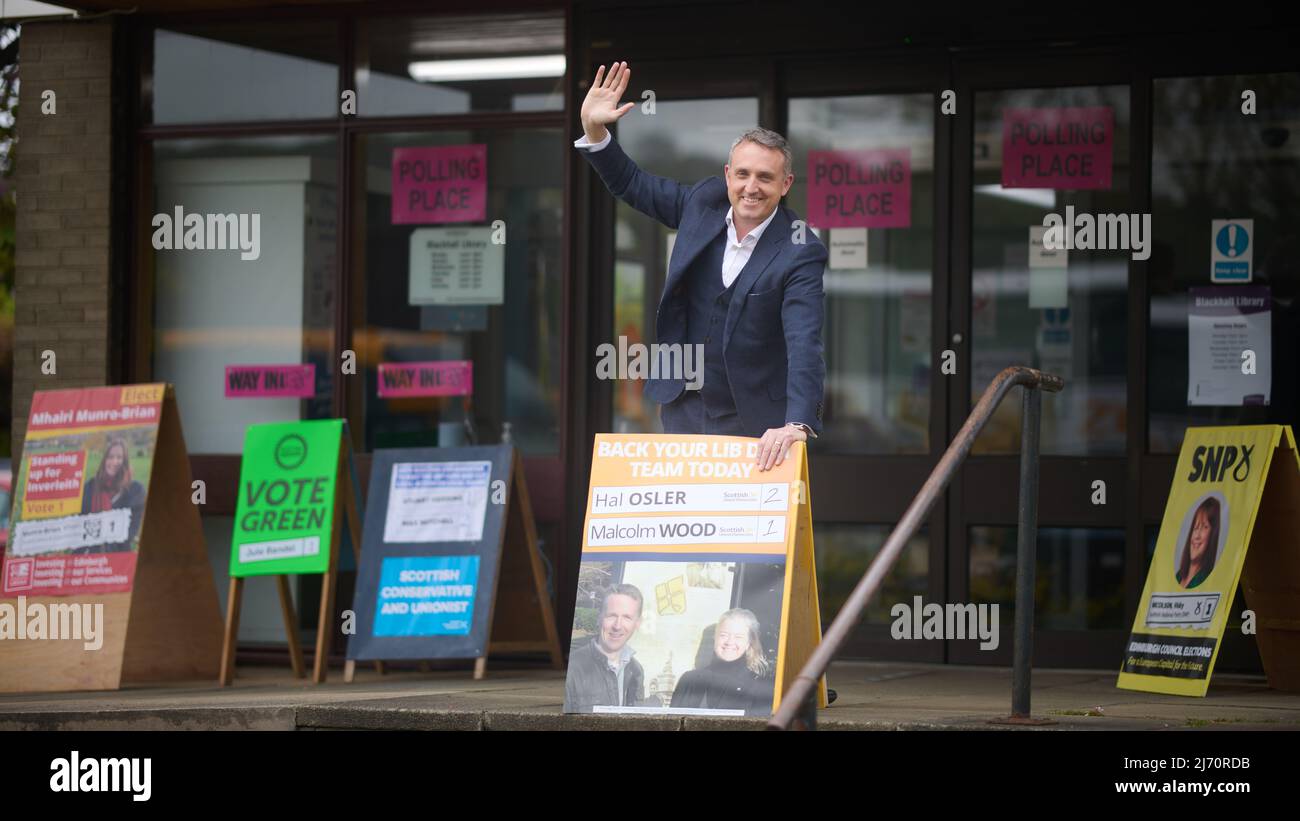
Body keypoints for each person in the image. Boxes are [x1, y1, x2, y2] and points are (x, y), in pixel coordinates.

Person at [576, 62, 828, 472]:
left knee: (743, 534)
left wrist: (796, 422)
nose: (751, 187)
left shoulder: (801, 250)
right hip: (683, 409)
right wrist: (596, 133)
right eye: (743, 174)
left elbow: (805, 341)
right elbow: (634, 185)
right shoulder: (702, 204)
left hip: (756, 424)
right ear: (728, 175)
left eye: (765, 177)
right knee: (686, 528)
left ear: (785, 185)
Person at [670, 608, 775, 717]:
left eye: (738, 637)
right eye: (723, 635)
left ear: (748, 643)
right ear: (715, 638)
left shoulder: (759, 688)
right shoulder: (689, 680)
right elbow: (670, 724)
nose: (729, 642)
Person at [564, 584, 646, 713]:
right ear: (599, 618)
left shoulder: (636, 670)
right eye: (612, 616)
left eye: (627, 617)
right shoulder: (572, 668)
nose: (617, 626)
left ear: (638, 623)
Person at [76, 437, 146, 554]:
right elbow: (80, 524)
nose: (114, 462)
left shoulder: (135, 491)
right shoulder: (90, 487)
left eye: (119, 457)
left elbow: (130, 532)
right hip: (90, 555)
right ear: (104, 460)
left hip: (118, 556)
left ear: (125, 461)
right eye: (110, 457)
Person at [1176, 497, 1221, 589]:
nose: (1196, 536)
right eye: (1195, 527)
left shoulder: (1208, 581)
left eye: (1205, 527)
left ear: (1213, 535)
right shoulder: (1179, 575)